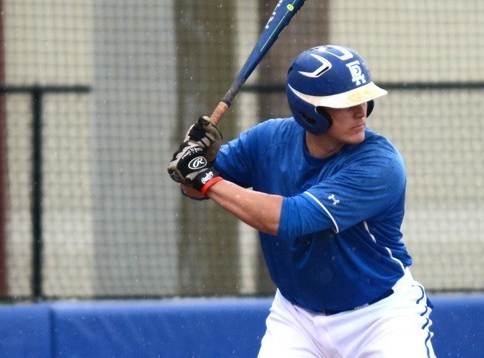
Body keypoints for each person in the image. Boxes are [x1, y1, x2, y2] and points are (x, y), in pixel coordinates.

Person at [168, 44, 435, 357]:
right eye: (346, 102)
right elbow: (194, 189)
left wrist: (204, 178)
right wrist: (193, 162)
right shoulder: (268, 140)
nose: (361, 110)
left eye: (363, 97)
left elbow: (288, 220)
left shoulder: (379, 165)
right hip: (296, 317)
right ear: (310, 112)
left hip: (380, 317)